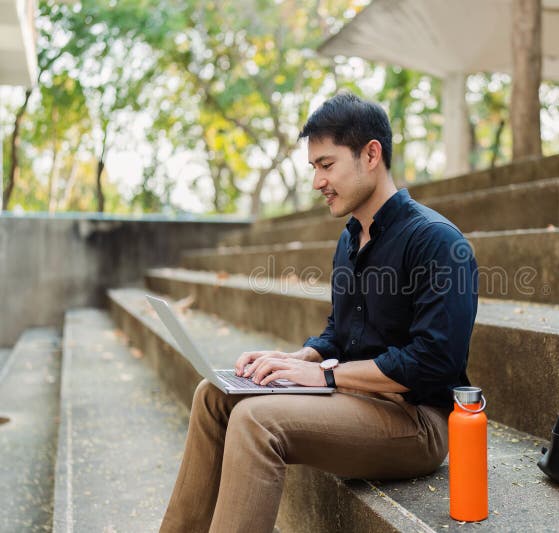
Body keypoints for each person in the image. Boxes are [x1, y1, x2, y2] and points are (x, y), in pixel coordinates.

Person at [159, 92, 479, 532]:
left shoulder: (437, 241)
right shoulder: (349, 240)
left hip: (418, 421)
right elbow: (338, 334)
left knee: (256, 421)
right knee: (214, 395)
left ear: (371, 155)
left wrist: (327, 376)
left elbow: (435, 362)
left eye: (326, 165)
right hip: (356, 400)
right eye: (314, 168)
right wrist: (298, 360)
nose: (317, 181)